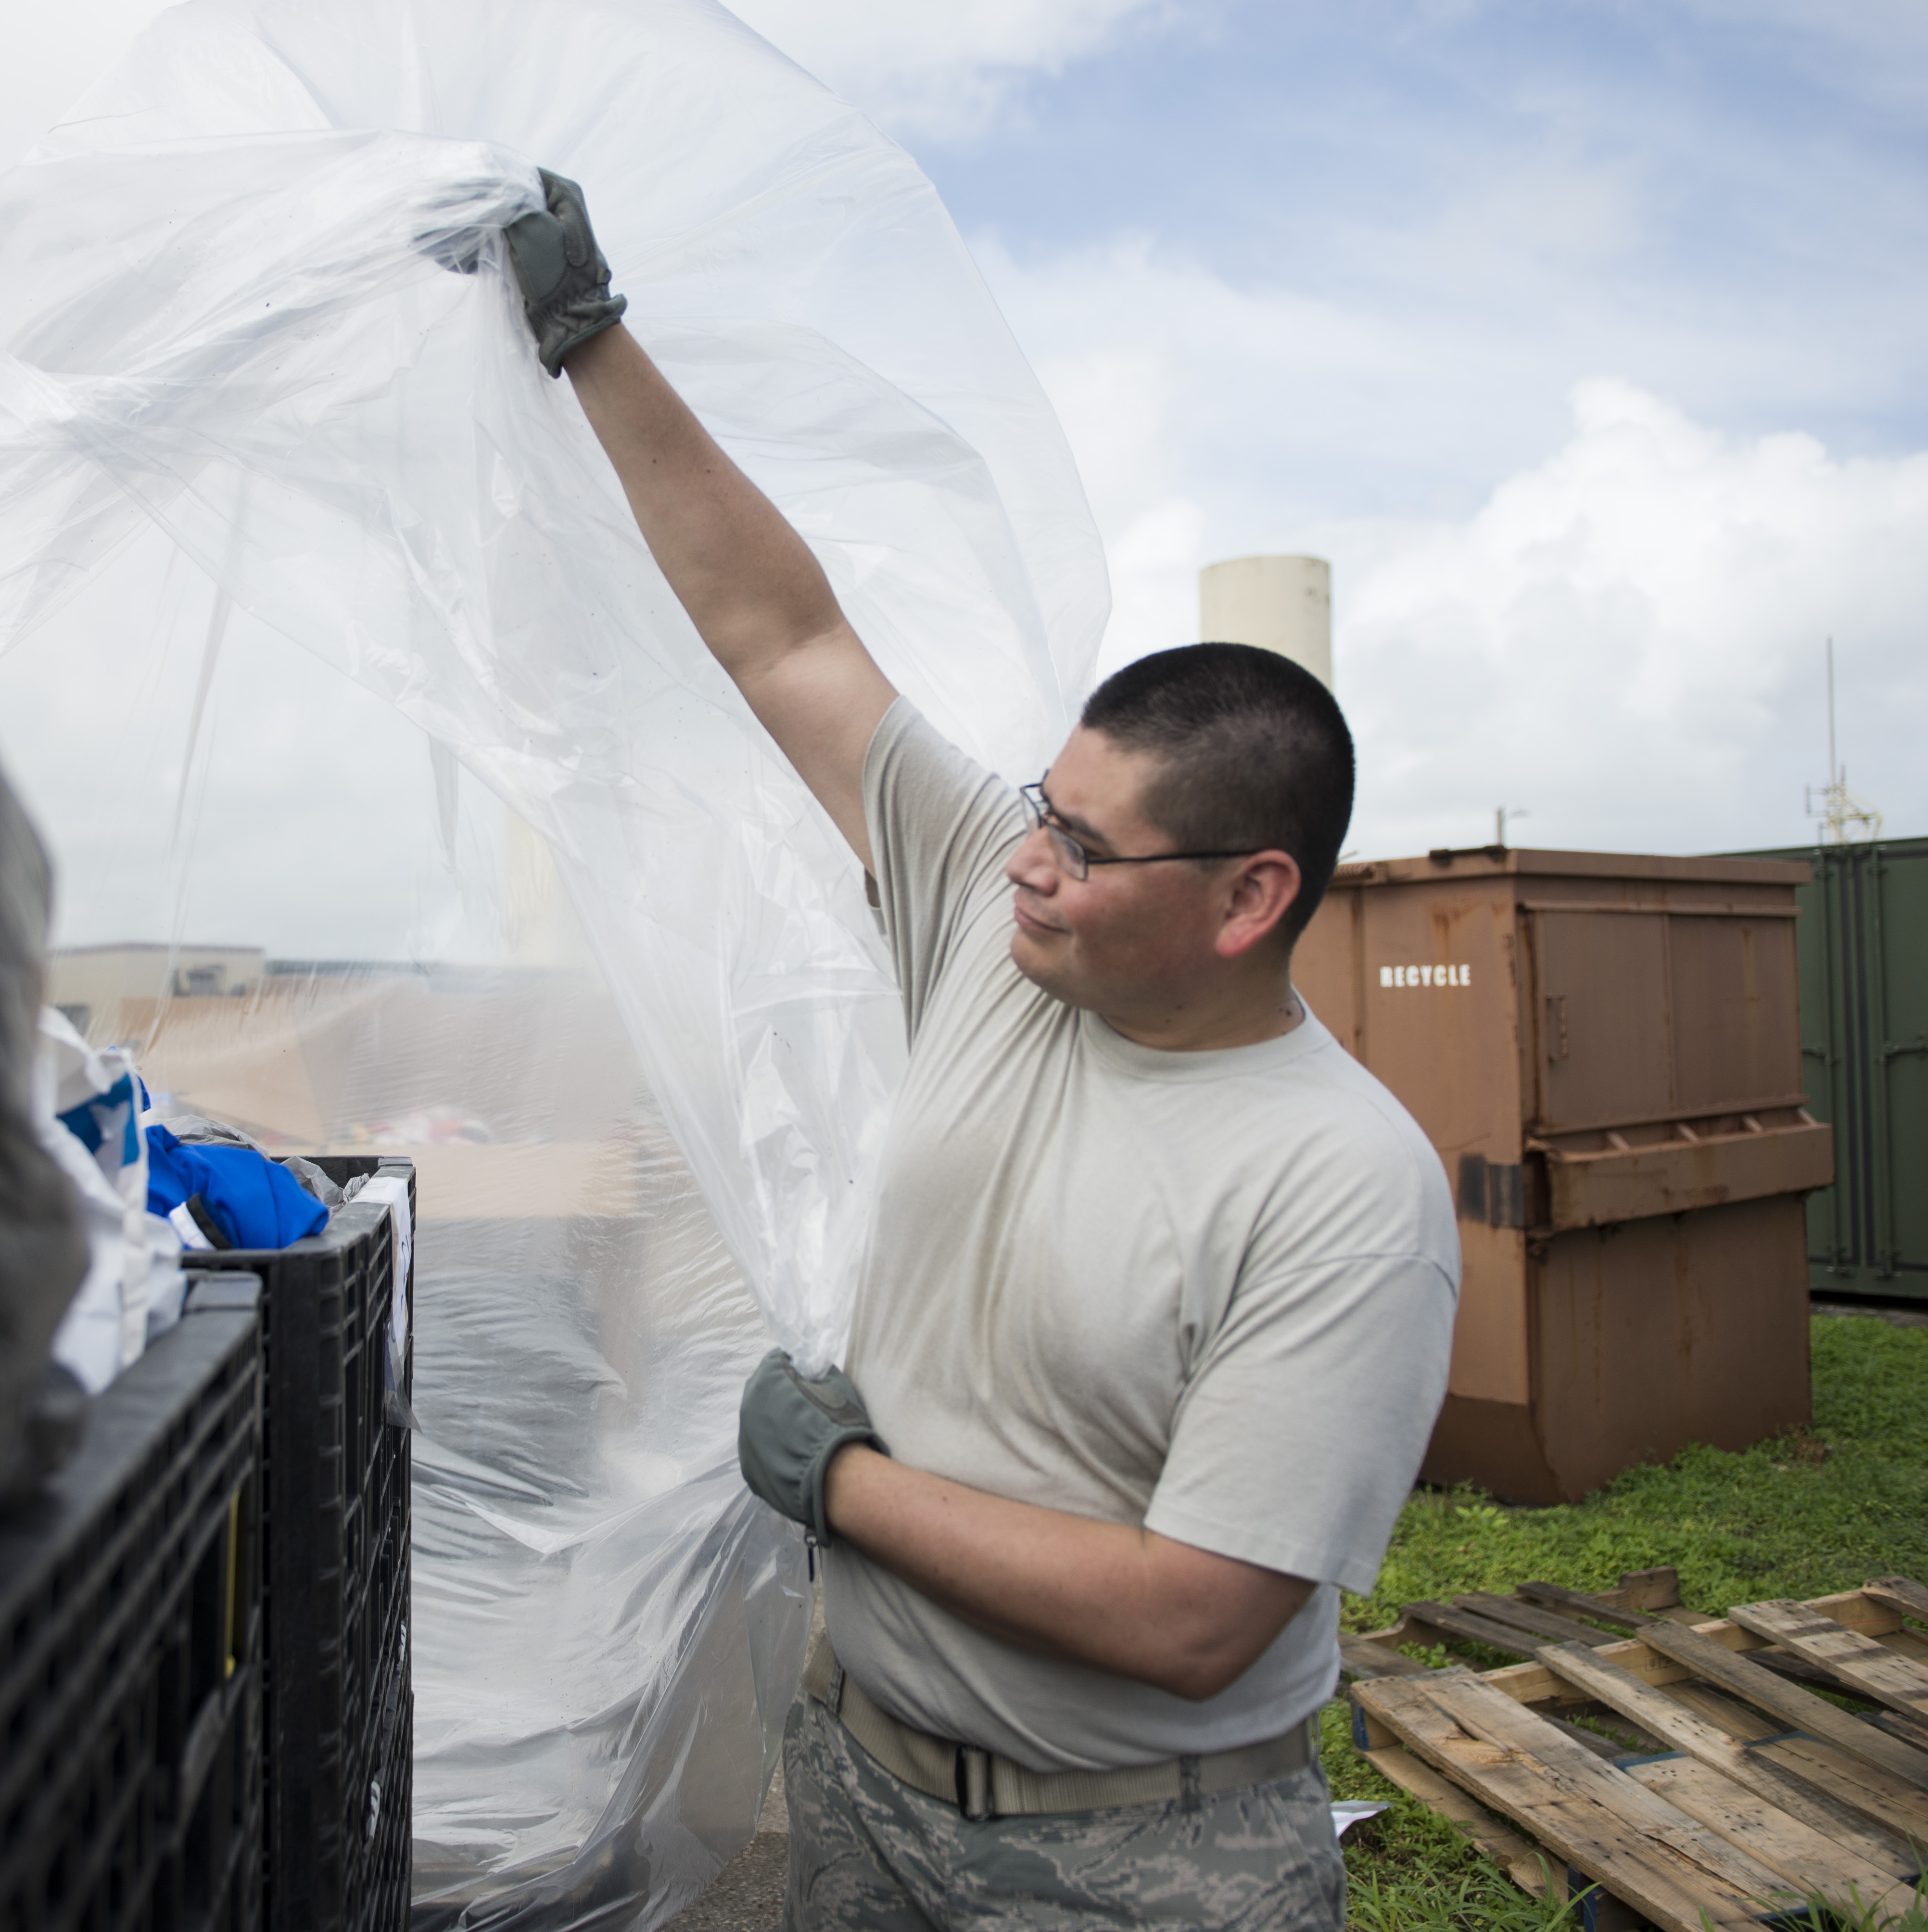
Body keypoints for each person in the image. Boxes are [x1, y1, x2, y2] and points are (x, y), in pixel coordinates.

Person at [505, 175, 1459, 1928]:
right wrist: (590, 343)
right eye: (1043, 808)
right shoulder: (1004, 928)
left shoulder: (1340, 1188)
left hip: (1125, 1865)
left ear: (1251, 897)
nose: (1032, 858)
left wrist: (843, 1487)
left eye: (1091, 850)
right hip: (861, 1788)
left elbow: (1195, 1620)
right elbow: (781, 636)